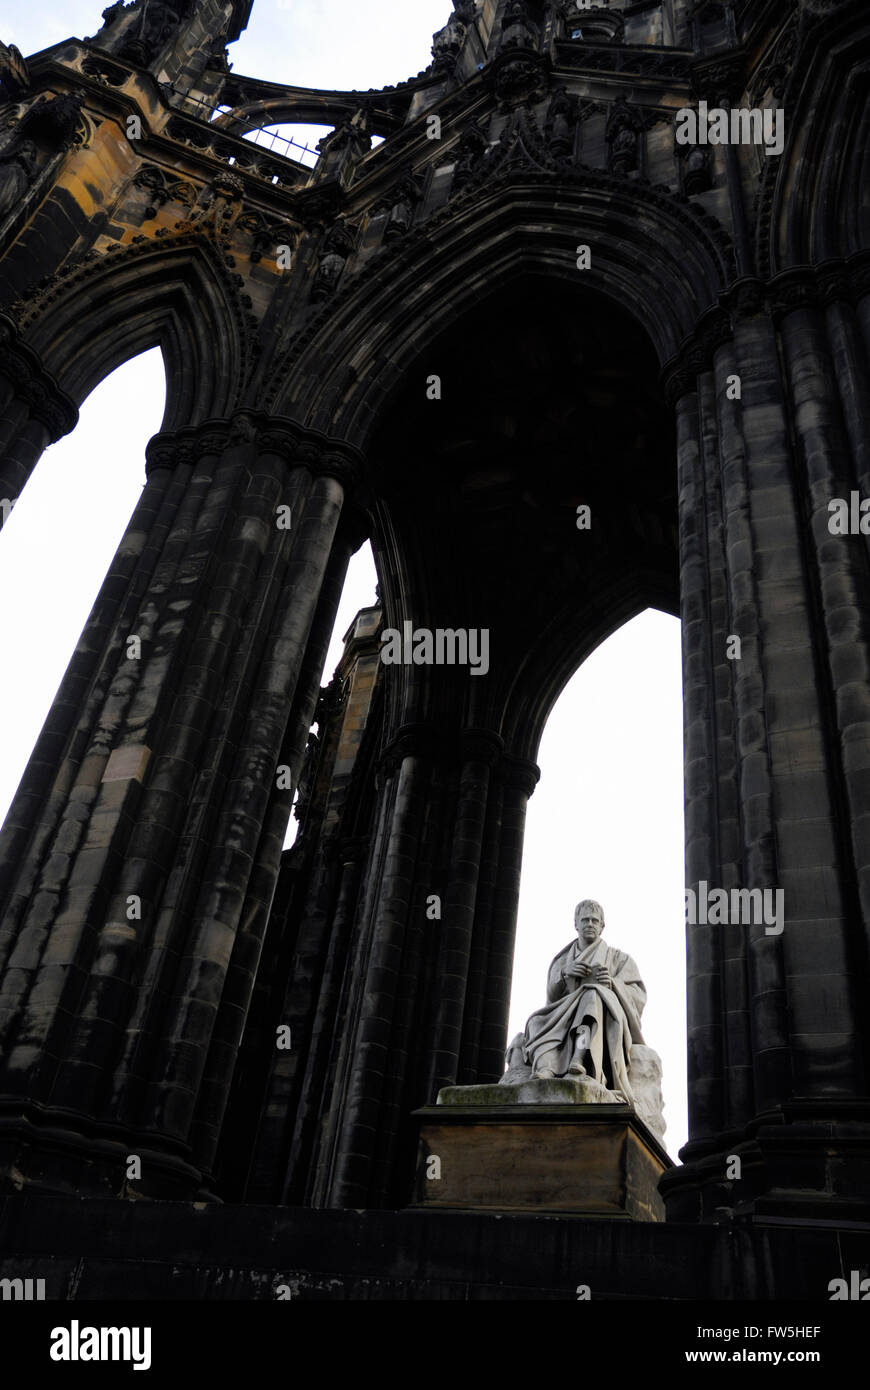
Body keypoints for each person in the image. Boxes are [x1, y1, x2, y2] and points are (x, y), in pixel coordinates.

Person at [522, 898, 647, 1104]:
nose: (590, 924)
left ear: (602, 926)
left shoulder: (619, 958)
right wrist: (564, 974)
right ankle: (547, 1067)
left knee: (592, 996)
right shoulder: (562, 960)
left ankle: (578, 1058)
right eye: (585, 920)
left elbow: (638, 996)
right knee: (535, 1022)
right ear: (576, 924)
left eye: (594, 921)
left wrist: (613, 984)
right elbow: (551, 999)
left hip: (597, 1010)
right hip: (564, 1011)